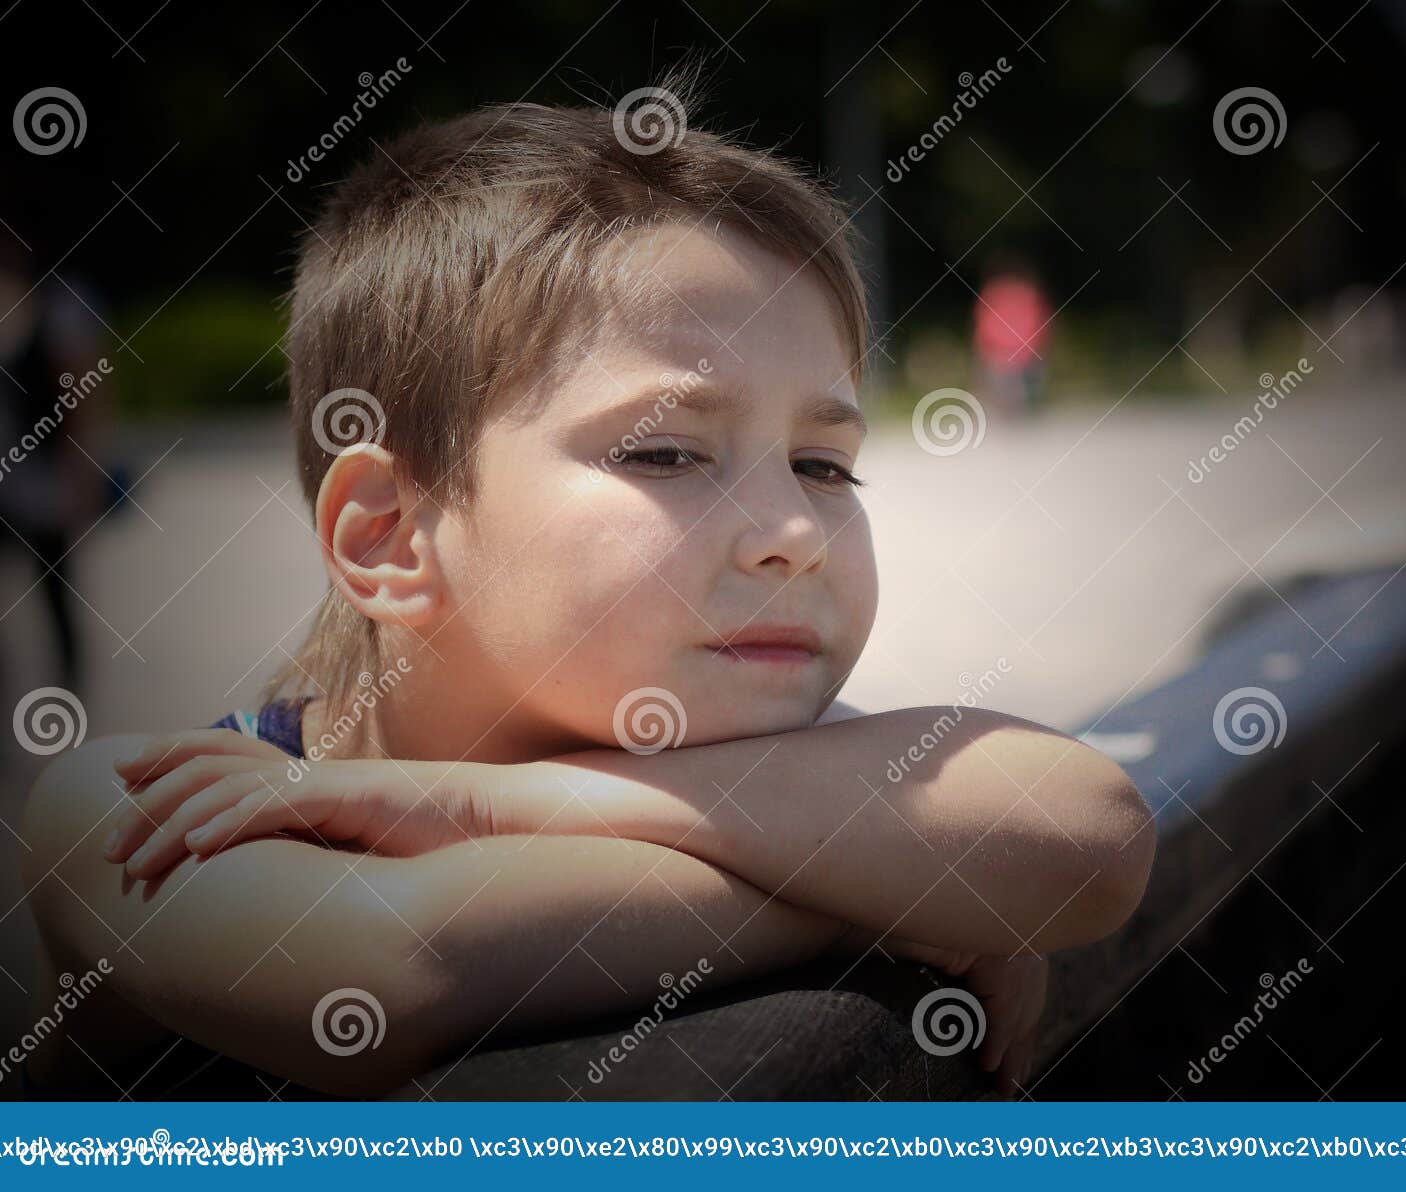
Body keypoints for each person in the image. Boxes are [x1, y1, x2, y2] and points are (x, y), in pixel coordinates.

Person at [22, 86, 1154, 1100]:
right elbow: (390, 971)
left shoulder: (718, 770)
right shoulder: (137, 811)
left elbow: (1090, 830)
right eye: (665, 454)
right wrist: (890, 889)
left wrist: (507, 803)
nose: (796, 534)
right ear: (390, 536)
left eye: (823, 464)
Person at [0, 233, 112, 691]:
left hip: (41, 477)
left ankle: (70, 686)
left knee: (55, 587)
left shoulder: (58, 304)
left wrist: (82, 470)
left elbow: (83, 394)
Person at [972, 257, 1052, 418]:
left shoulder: (997, 294)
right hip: (1016, 352)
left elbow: (984, 325)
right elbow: (1040, 323)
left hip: (1010, 352)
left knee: (1009, 382)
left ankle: (1014, 407)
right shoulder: (1024, 293)